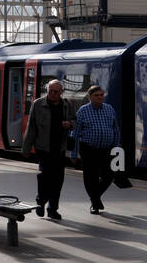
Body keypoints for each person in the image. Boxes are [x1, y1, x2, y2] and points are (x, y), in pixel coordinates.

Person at [21, 79, 76, 221]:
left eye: (55, 92)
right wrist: (26, 148)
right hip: (43, 147)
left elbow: (75, 121)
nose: (52, 94)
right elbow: (31, 127)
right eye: (50, 91)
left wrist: (69, 124)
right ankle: (41, 201)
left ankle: (52, 209)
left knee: (58, 180)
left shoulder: (67, 105)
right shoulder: (38, 104)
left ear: (61, 92)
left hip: (59, 148)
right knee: (45, 176)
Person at [73, 84, 122, 214]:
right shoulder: (83, 111)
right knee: (91, 177)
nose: (100, 97)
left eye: (101, 95)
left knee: (109, 175)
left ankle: (94, 197)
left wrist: (116, 147)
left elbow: (115, 129)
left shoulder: (109, 109)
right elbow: (76, 133)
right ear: (90, 97)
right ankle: (95, 203)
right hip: (89, 149)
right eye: (96, 95)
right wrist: (73, 153)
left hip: (107, 149)